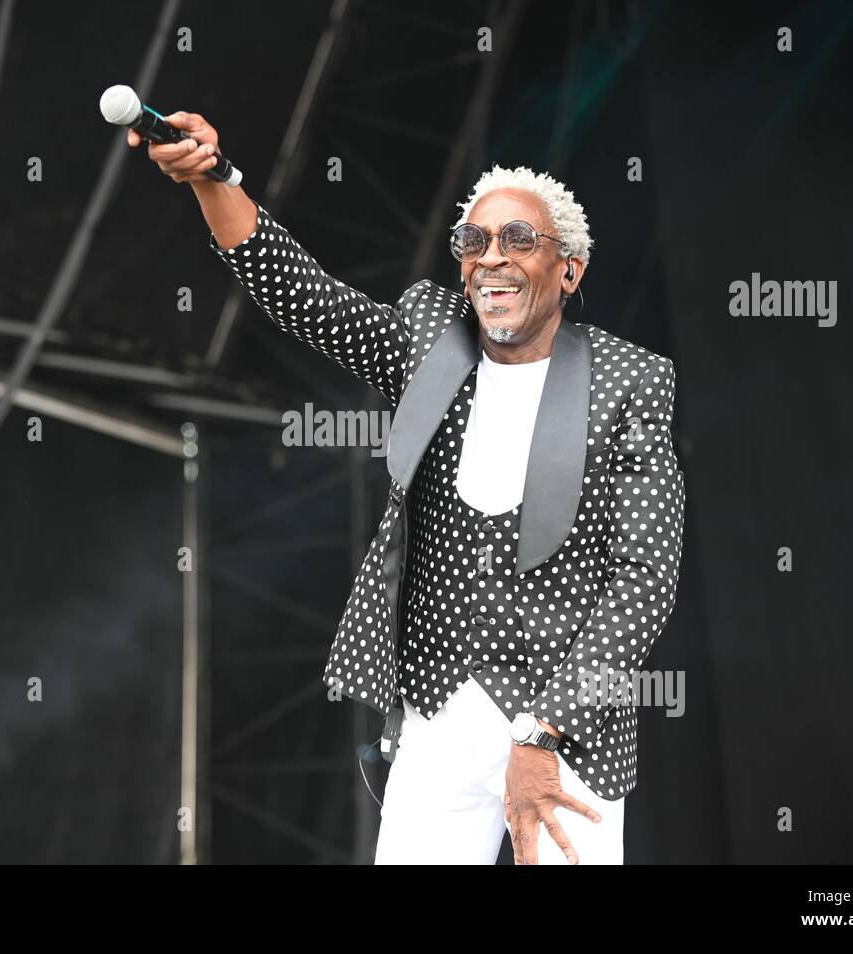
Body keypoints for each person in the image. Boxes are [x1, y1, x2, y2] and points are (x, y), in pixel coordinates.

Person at [129, 112, 686, 865]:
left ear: (569, 270)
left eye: (520, 240)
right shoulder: (430, 335)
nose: (493, 258)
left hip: (569, 725)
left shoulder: (629, 380)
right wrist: (213, 178)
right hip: (439, 704)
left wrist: (547, 728)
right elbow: (306, 298)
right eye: (475, 242)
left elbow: (644, 578)